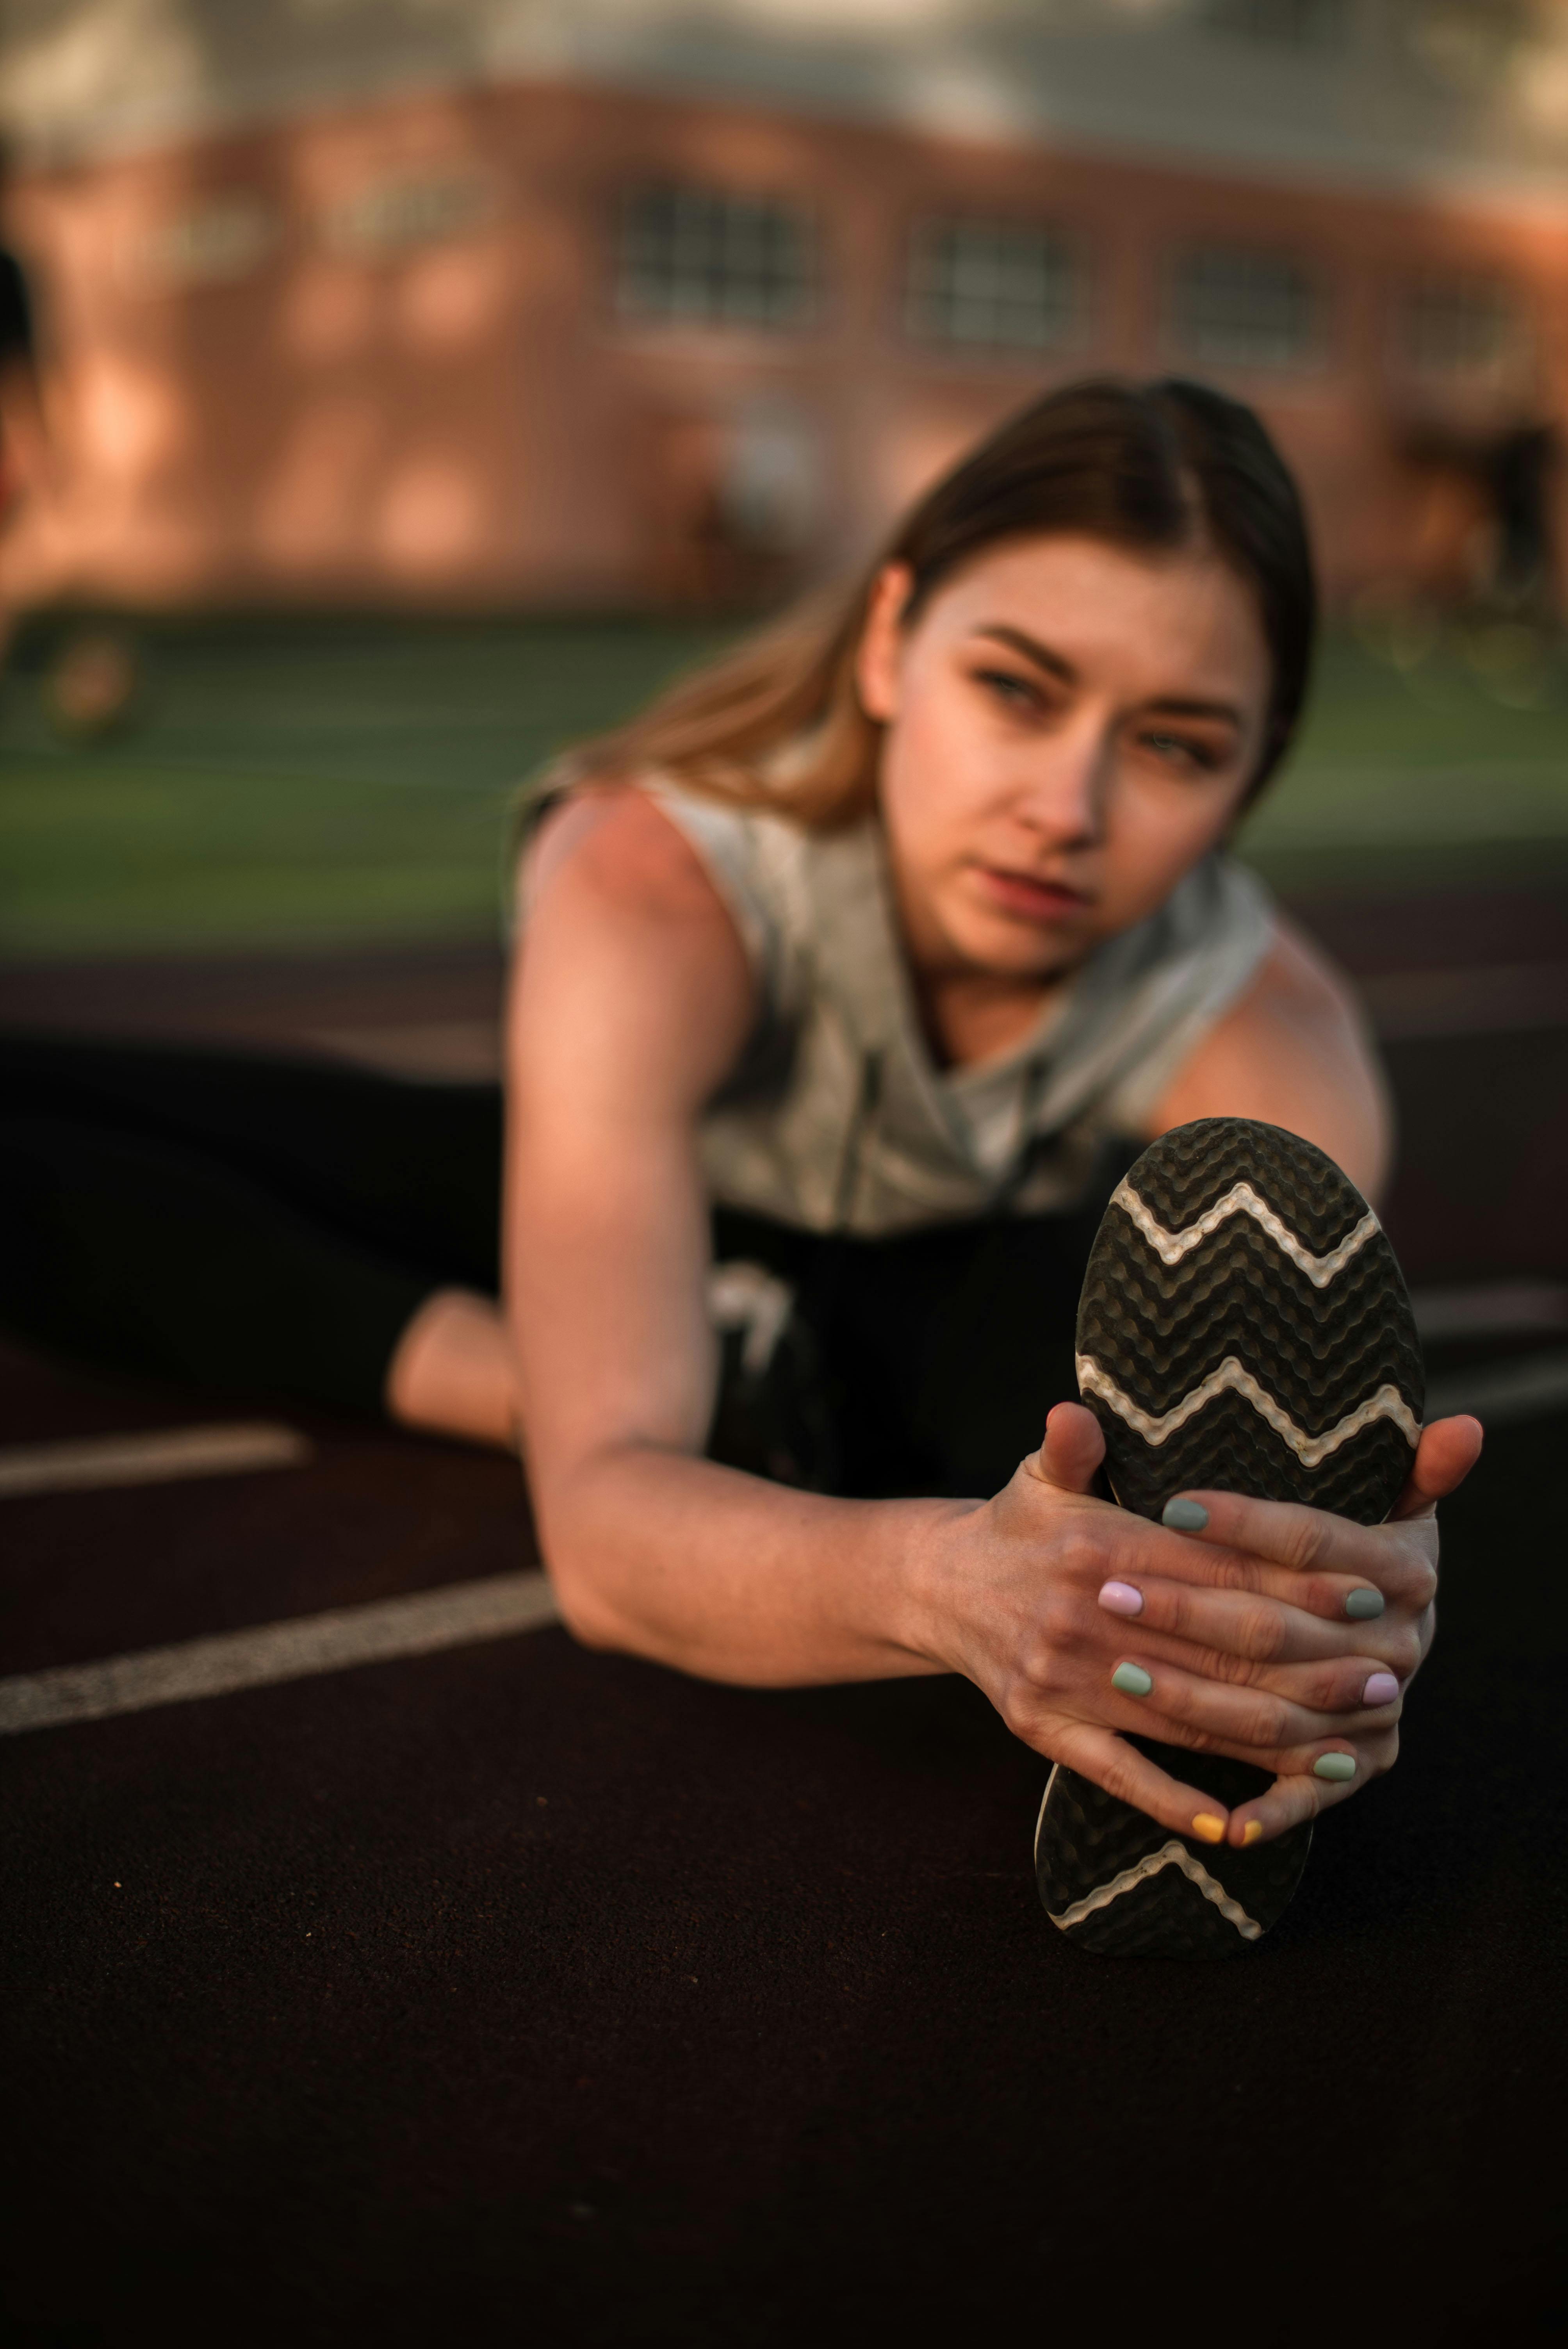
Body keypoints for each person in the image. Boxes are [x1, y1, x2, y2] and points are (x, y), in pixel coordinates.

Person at [0, 378, 1481, 1856]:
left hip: (942, 1291)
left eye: (1174, 746)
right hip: (651, 1210)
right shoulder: (653, 881)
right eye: (1016, 691)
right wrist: (940, 1581)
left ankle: (769, 1378)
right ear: (893, 642)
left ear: (1252, 773)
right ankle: (551, 1359)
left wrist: (1341, 1580)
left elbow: (1291, 1452)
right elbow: (607, 1541)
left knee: (1074, 1396)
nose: (1068, 807)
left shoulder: (1270, 1028)